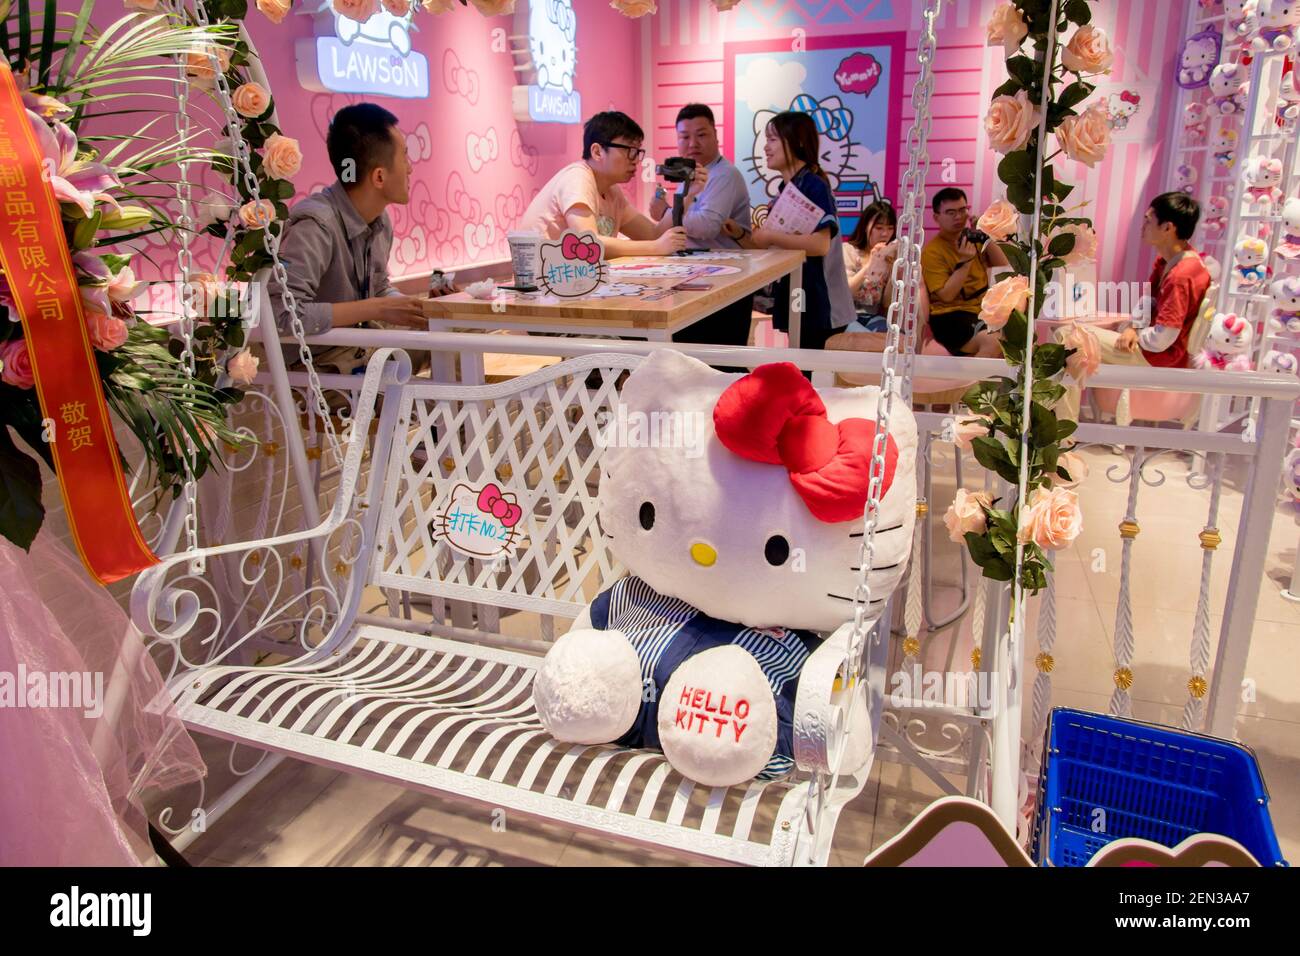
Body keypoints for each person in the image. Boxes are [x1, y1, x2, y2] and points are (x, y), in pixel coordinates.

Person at [270, 103, 428, 374]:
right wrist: (377, 308)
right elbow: (282, 315)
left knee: (460, 338)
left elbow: (378, 289)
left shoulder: (380, 221)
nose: (411, 169)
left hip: (365, 350)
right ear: (379, 176)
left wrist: (415, 309)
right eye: (405, 157)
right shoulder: (316, 226)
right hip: (321, 368)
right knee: (433, 396)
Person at [1056, 192, 1211, 423]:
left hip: (1159, 356)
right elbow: (1149, 300)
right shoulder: (1172, 260)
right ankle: (1062, 423)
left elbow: (1165, 336)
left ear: (1168, 227)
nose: (1143, 226)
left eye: (1149, 220)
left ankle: (1062, 429)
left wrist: (1136, 334)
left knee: (1069, 336)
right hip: (1156, 349)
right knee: (1079, 340)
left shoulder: (1181, 275)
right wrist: (1134, 327)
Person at [722, 111, 854, 351]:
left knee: (806, 373)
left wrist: (770, 235)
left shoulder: (814, 185)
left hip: (821, 304)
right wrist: (740, 235)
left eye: (772, 139)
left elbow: (819, 245)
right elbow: (770, 248)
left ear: (797, 141)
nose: (765, 148)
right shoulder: (788, 188)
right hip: (799, 298)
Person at [647, 103, 753, 347]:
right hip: (696, 278)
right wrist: (670, 213)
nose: (692, 143)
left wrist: (667, 212)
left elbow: (707, 226)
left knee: (718, 361)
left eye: (701, 135)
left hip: (724, 283)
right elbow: (675, 225)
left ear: (716, 136)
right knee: (692, 358)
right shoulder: (691, 176)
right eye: (685, 137)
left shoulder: (724, 174)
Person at [519, 111, 687, 257]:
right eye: (630, 150)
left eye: (638, 151)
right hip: (542, 284)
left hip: (569, 282)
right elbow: (588, 243)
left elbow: (652, 234)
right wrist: (655, 248)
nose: (636, 160)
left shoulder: (612, 191)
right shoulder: (577, 177)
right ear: (597, 152)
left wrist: (689, 193)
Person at [921, 187, 1010, 357]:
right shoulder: (932, 251)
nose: (958, 217)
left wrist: (985, 234)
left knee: (1019, 333)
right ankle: (971, 384)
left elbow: (1002, 262)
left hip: (981, 310)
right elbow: (946, 295)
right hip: (950, 315)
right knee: (992, 341)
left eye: (962, 210)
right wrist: (965, 262)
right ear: (936, 217)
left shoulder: (972, 238)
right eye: (951, 212)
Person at [842, 199, 898, 332]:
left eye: (890, 228)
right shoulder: (848, 250)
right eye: (879, 228)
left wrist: (894, 271)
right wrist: (870, 265)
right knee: (866, 337)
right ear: (865, 226)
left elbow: (886, 303)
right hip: (845, 317)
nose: (885, 234)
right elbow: (846, 291)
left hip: (872, 317)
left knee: (894, 338)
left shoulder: (889, 255)